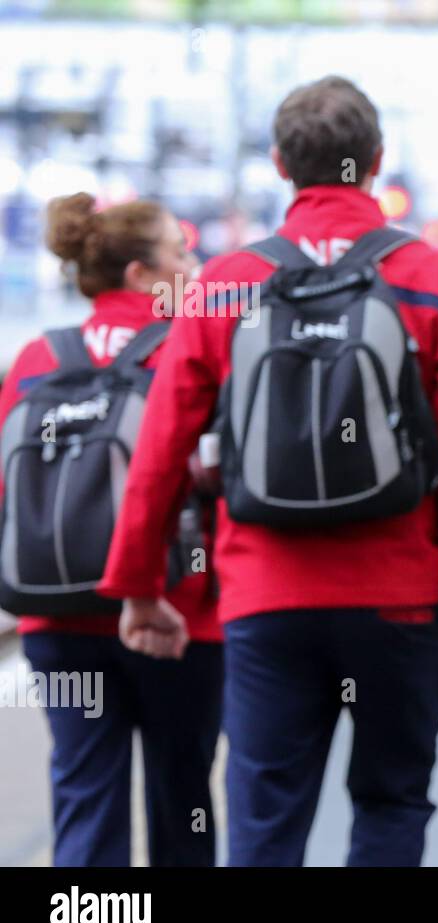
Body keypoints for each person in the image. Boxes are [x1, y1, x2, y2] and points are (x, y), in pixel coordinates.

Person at [97, 76, 438, 866]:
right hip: (400, 595)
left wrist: (140, 587)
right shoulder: (433, 275)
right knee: (391, 804)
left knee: (265, 821)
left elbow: (160, 446)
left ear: (281, 163)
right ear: (377, 162)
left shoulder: (225, 282)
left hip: (263, 598)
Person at [0, 193, 222, 866]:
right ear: (139, 275)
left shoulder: (37, 358)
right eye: (180, 253)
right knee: (182, 793)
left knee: (84, 794)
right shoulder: (187, 349)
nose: (194, 265)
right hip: (173, 618)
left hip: (56, 620)